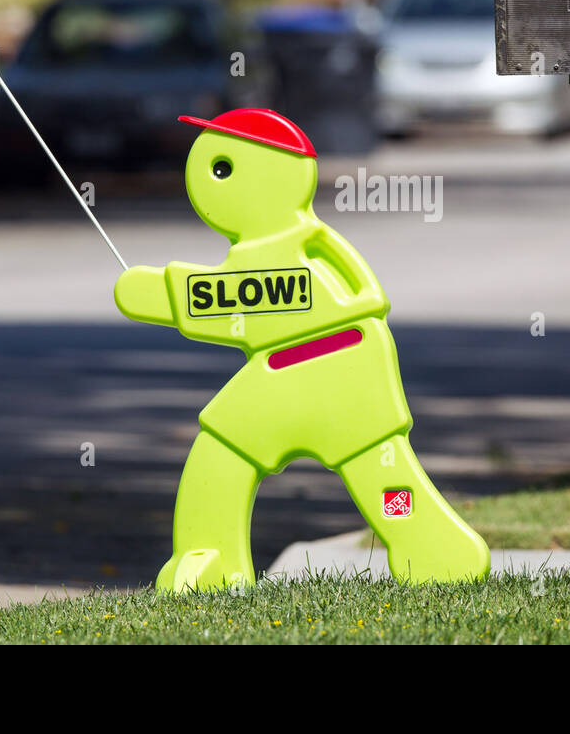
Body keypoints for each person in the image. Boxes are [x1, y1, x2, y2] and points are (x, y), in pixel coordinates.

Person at [115, 108, 490, 592]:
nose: (208, 183)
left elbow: (229, 300)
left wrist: (156, 292)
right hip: (312, 368)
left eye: (222, 169)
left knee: (242, 456)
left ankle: (214, 560)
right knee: (367, 469)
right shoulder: (310, 244)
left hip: (321, 367)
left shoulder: (286, 250)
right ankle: (431, 549)